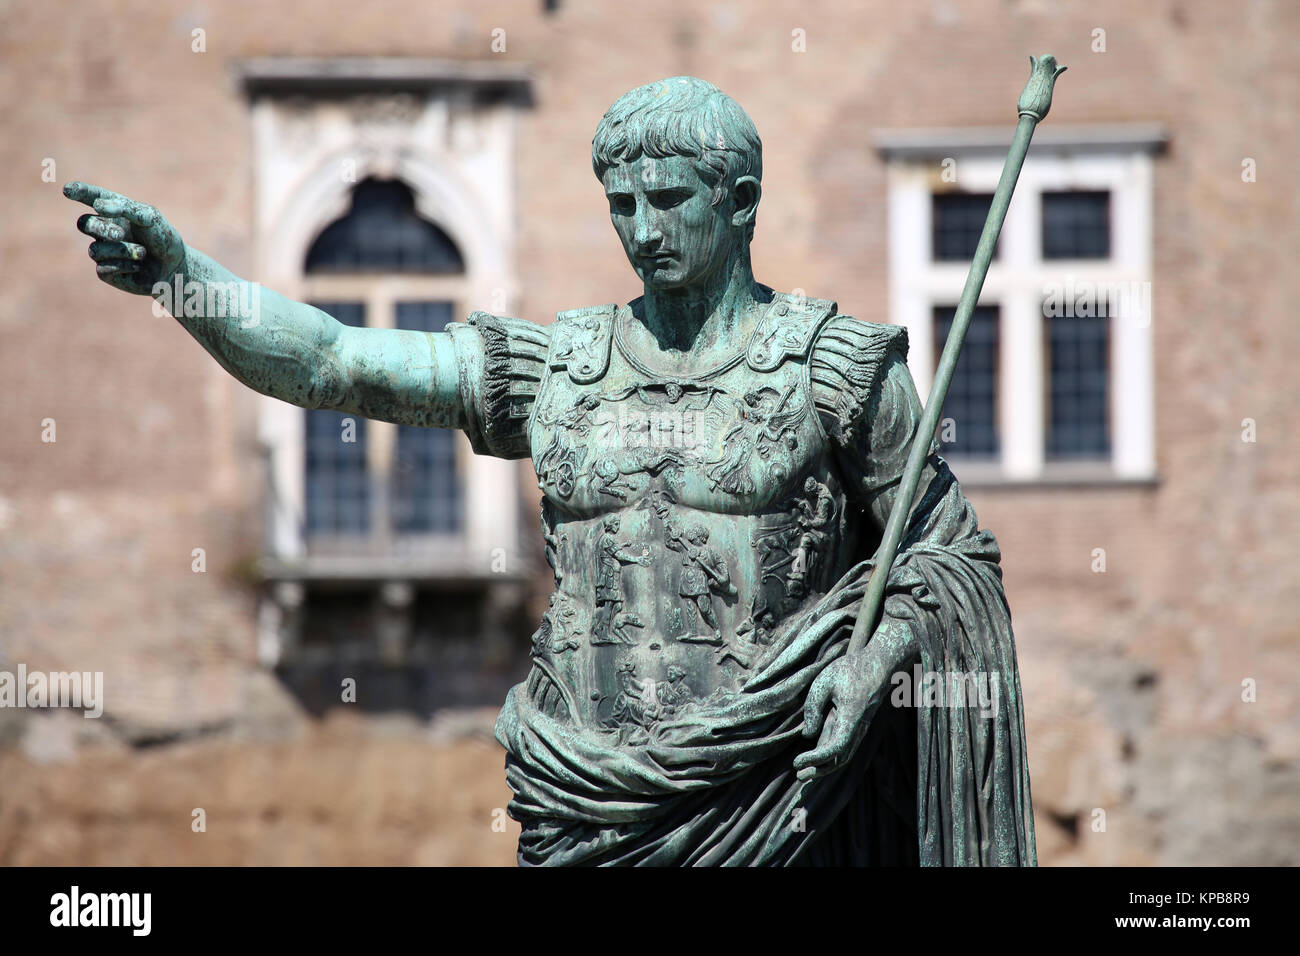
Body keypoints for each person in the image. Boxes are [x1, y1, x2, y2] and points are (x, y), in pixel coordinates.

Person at [64, 75, 1036, 866]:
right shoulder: (555, 368)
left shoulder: (835, 366)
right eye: (621, 203)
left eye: (667, 200)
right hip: (580, 797)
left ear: (739, 204)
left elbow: (949, 557)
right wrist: (181, 277)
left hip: (768, 791)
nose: (642, 227)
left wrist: (874, 660)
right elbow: (332, 360)